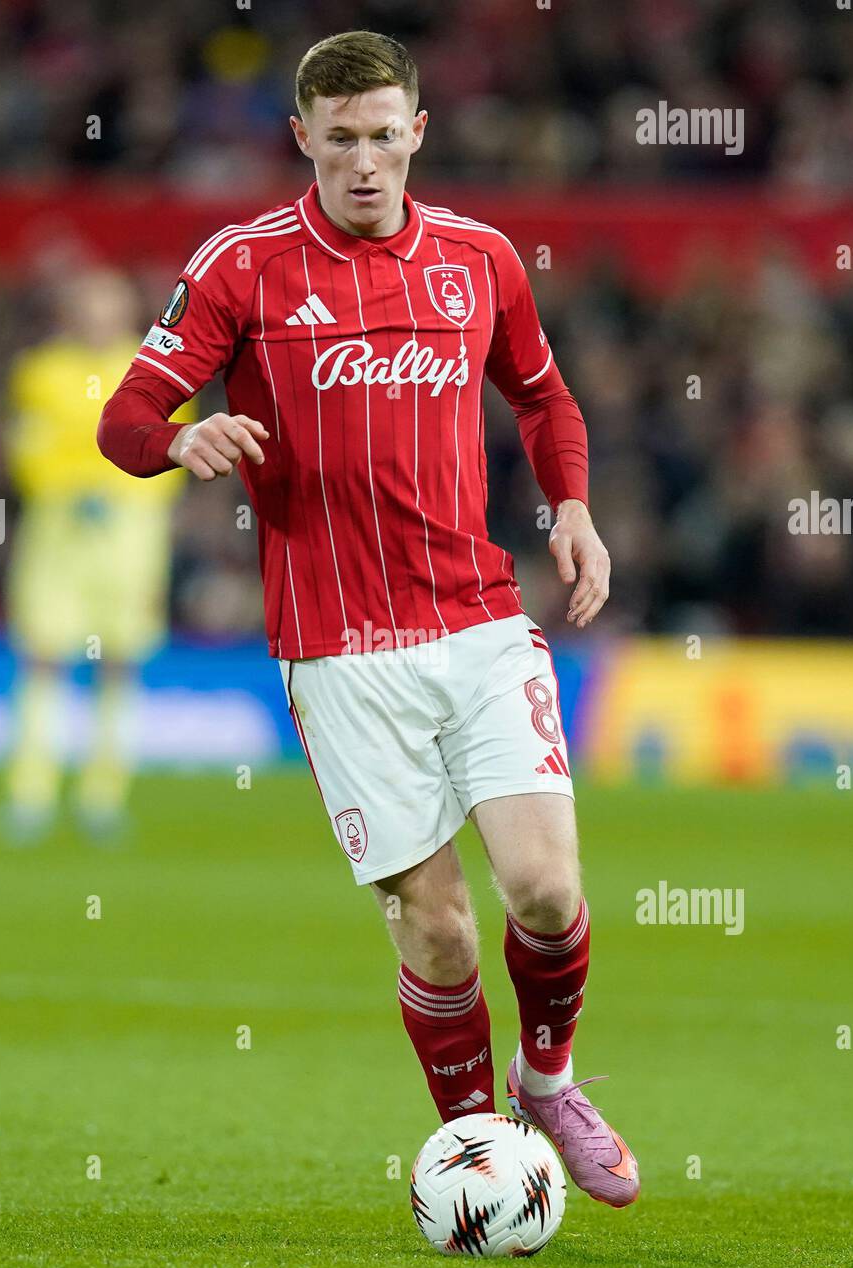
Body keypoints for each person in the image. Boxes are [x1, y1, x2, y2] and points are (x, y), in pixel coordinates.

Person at [98, 31, 638, 1208]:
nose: (362, 161)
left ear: (417, 135)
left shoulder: (478, 258)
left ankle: (545, 1082)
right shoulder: (243, 268)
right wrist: (181, 437)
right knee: (437, 932)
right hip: (339, 652)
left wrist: (575, 509)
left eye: (382, 135)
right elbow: (125, 413)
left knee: (543, 889)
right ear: (301, 139)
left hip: (480, 619)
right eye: (338, 139)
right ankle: (480, 1155)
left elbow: (540, 395)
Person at [4, 268, 187, 840]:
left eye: (107, 309)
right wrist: (66, 485)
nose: (97, 321)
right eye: (86, 308)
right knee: (43, 652)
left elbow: (174, 446)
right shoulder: (40, 372)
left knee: (120, 658)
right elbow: (28, 446)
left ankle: (102, 795)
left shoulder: (159, 371)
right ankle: (30, 793)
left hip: (131, 529)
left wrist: (124, 488)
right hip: (59, 526)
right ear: (69, 313)